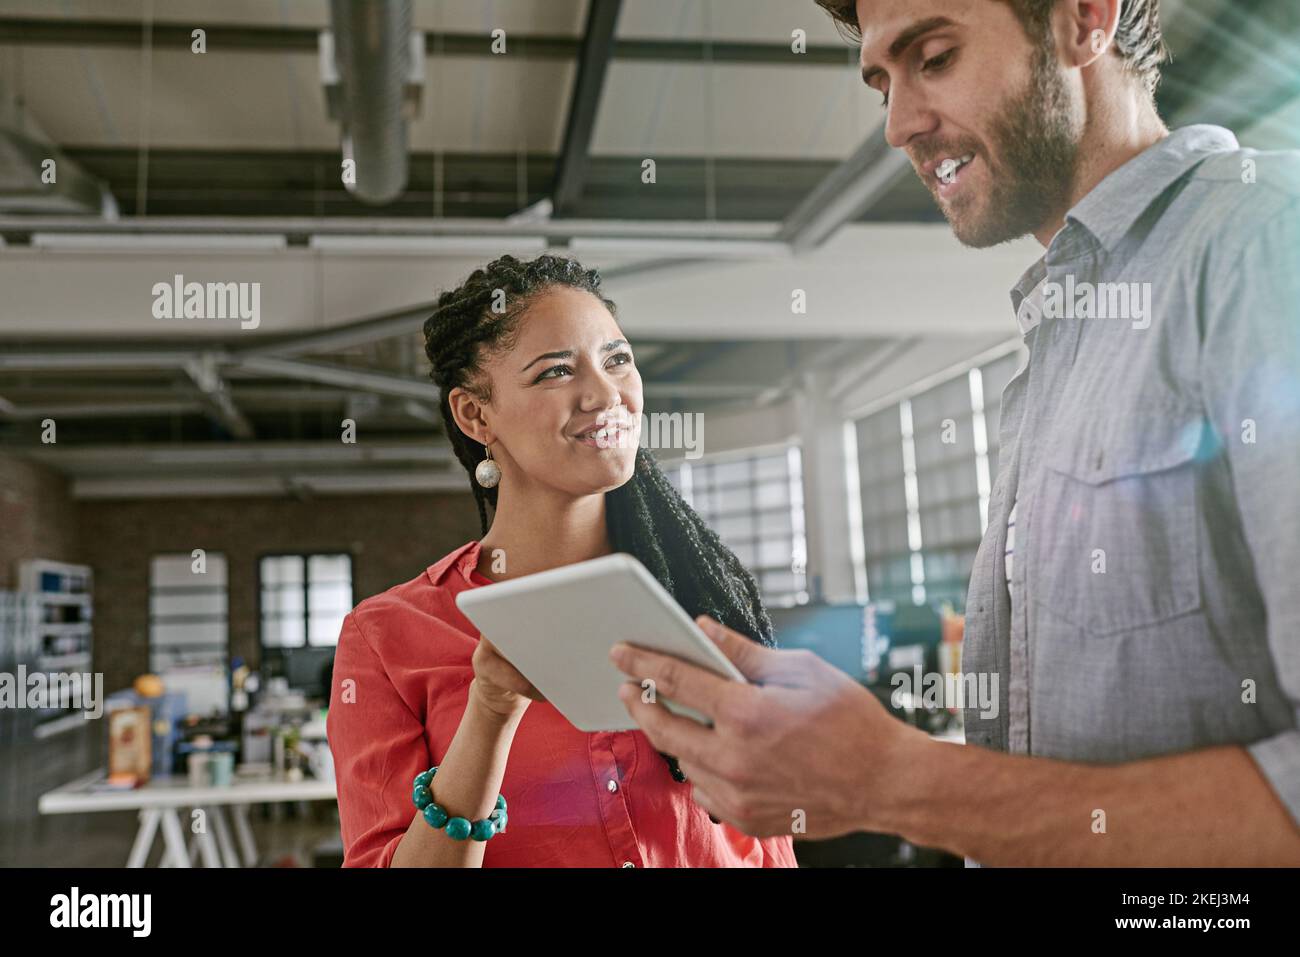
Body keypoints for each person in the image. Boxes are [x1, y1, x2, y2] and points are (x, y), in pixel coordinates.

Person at [610, 0, 1300, 865]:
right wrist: (846, 753)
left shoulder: (1267, 244)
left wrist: (889, 781)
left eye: (933, 57)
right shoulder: (1053, 352)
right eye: (881, 84)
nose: (898, 124)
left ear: (1084, 19)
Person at [326, 253, 797, 867]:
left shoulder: (703, 594)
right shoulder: (386, 639)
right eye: (555, 372)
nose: (605, 395)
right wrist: (491, 710)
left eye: (617, 360)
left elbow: (766, 846)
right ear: (475, 414)